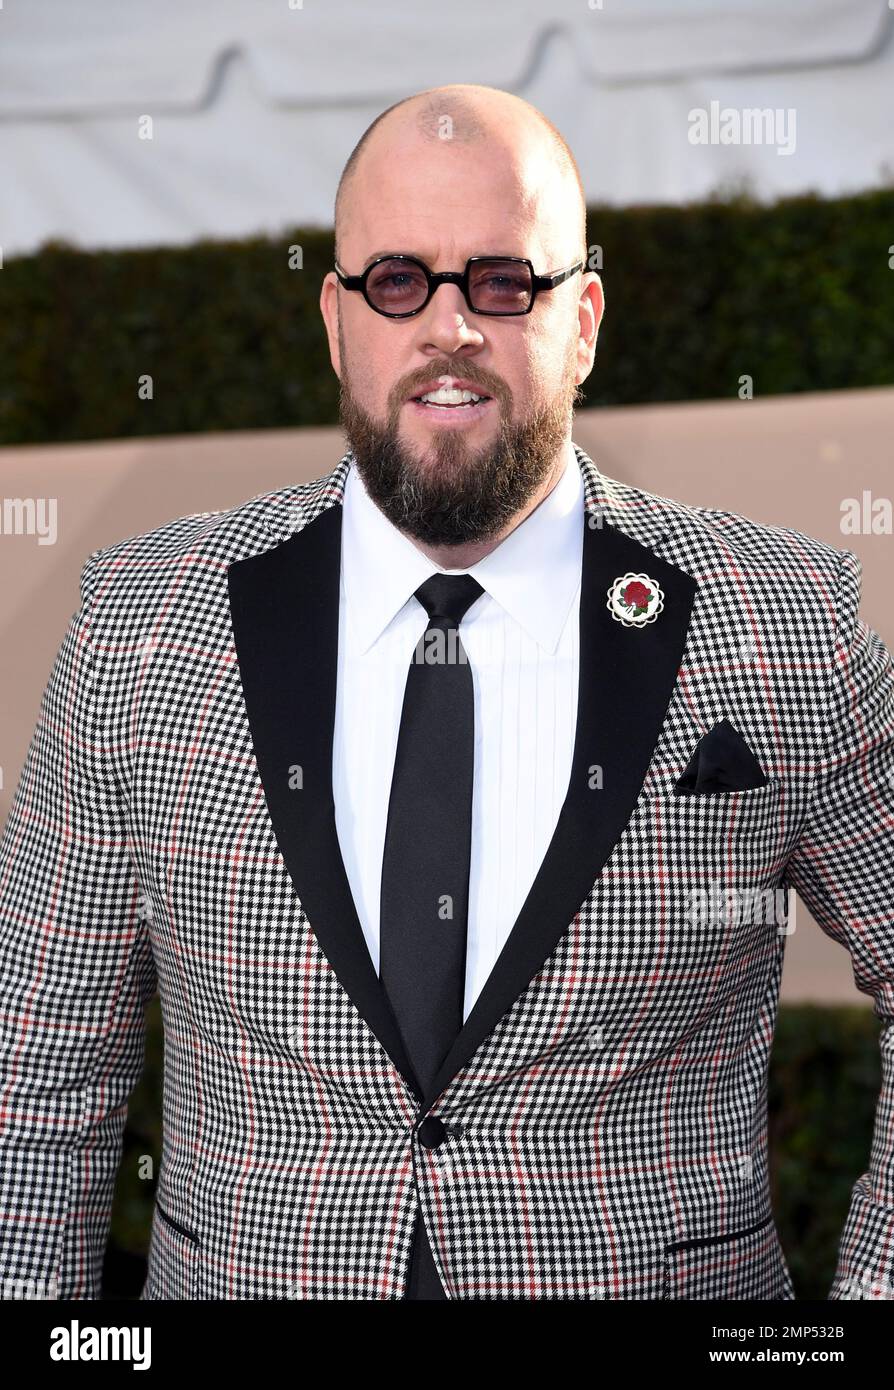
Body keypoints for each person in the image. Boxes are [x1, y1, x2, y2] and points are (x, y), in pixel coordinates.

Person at [1, 83, 892, 1302]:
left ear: (582, 318)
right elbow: (35, 1072)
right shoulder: (140, 626)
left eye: (501, 281)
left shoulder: (782, 621)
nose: (449, 326)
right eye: (398, 282)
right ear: (337, 320)